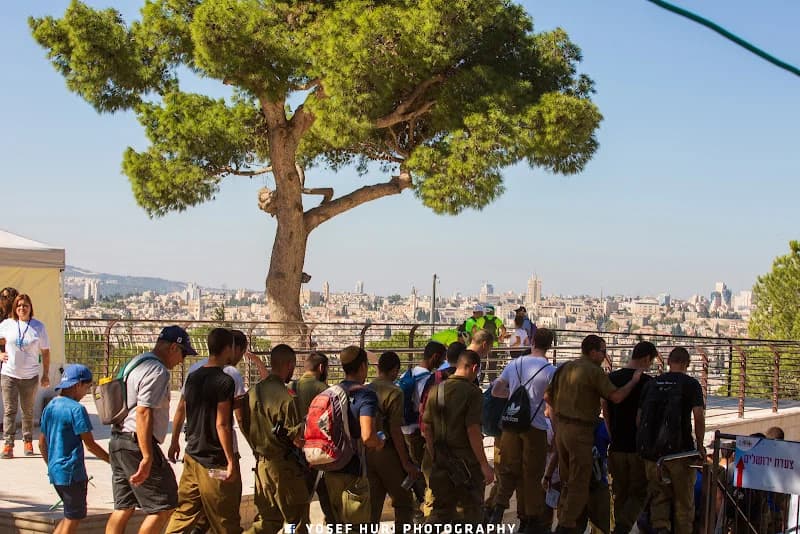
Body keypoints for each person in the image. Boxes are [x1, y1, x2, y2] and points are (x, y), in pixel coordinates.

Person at [544, 335, 643, 534]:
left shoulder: (564, 367)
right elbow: (615, 396)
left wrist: (560, 419)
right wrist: (633, 381)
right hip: (580, 431)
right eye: (603, 351)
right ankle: (566, 525)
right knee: (579, 481)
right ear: (592, 352)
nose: (605, 355)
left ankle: (565, 518)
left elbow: (547, 396)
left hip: (561, 428)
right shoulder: (593, 371)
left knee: (566, 479)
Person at [105, 325, 197, 534]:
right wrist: (147, 456)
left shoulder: (136, 362)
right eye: (183, 353)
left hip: (118, 440)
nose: (181, 360)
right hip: (136, 444)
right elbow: (143, 412)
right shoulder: (158, 370)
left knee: (123, 506)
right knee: (164, 505)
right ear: (174, 347)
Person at [165, 328, 241, 534]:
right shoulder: (225, 380)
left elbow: (182, 408)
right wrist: (231, 460)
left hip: (192, 454)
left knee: (183, 514)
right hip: (215, 460)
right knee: (226, 520)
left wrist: (174, 441)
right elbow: (222, 424)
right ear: (228, 349)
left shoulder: (193, 376)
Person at [489, 328, 556, 533]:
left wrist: (514, 396)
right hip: (534, 427)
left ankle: (498, 509)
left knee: (508, 470)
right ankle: (529, 520)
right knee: (532, 475)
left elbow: (495, 390)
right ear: (550, 345)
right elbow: (550, 401)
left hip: (511, 424)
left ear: (532, 341)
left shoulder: (515, 363)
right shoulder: (550, 370)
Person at [242, 343, 309, 534]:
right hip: (283, 468)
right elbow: (297, 439)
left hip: (262, 466)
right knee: (298, 521)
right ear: (289, 365)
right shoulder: (286, 398)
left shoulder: (253, 393)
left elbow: (243, 423)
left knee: (268, 522)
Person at [638, 346, 705, 534]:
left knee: (659, 500)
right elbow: (698, 417)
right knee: (684, 504)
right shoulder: (691, 384)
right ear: (687, 364)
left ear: (668, 362)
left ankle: (661, 529)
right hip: (681, 453)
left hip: (652, 455)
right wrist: (699, 446)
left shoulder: (651, 384)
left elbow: (639, 418)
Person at [422, 349, 494, 524]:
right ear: (474, 367)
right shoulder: (473, 392)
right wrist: (485, 465)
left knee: (440, 513)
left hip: (441, 464)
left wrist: (435, 456)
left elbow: (427, 429)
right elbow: (473, 430)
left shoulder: (436, 390)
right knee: (471, 514)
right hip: (467, 466)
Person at [39, 364, 110, 534]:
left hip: (56, 472)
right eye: (86, 387)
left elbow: (42, 443)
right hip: (72, 473)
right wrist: (112, 460)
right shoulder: (77, 409)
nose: (86, 392)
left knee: (70, 515)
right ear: (78, 385)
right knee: (74, 518)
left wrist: (51, 464)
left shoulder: (50, 406)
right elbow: (90, 444)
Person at [322, 346, 384, 524]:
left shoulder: (333, 392)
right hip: (353, 472)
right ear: (363, 366)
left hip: (331, 467)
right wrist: (379, 442)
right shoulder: (365, 395)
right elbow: (367, 437)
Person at [602, 341, 657, 534]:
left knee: (620, 493)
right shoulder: (648, 383)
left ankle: (619, 528)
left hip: (616, 446)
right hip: (637, 449)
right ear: (646, 359)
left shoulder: (612, 377)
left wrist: (611, 434)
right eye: (650, 361)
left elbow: (605, 409)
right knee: (640, 492)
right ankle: (623, 527)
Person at [367, 351, 419, 528]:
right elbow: (395, 431)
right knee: (403, 500)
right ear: (395, 370)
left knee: (372, 504)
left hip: (367, 451)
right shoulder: (395, 392)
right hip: (387, 452)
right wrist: (406, 462)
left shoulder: (366, 388)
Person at [0, 293, 51, 458]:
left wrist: (46, 374)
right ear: (15, 308)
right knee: (9, 410)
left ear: (30, 308)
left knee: (27, 410)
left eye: (25, 305)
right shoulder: (8, 324)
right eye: (19, 305)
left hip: (30, 376)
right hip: (9, 374)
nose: (22, 308)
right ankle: (8, 444)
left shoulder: (38, 327)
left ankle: (27, 440)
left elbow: (45, 352)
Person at [399, 341, 446, 504]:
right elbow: (427, 408)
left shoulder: (408, 374)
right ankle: (423, 506)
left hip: (403, 429)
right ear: (435, 357)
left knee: (413, 467)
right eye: (441, 360)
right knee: (424, 471)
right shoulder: (428, 379)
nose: (441, 364)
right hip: (417, 431)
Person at [290, 351, 334, 524]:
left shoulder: (292, 387)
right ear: (322, 367)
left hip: (297, 450)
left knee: (302, 499)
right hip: (319, 452)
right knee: (327, 497)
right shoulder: (323, 389)